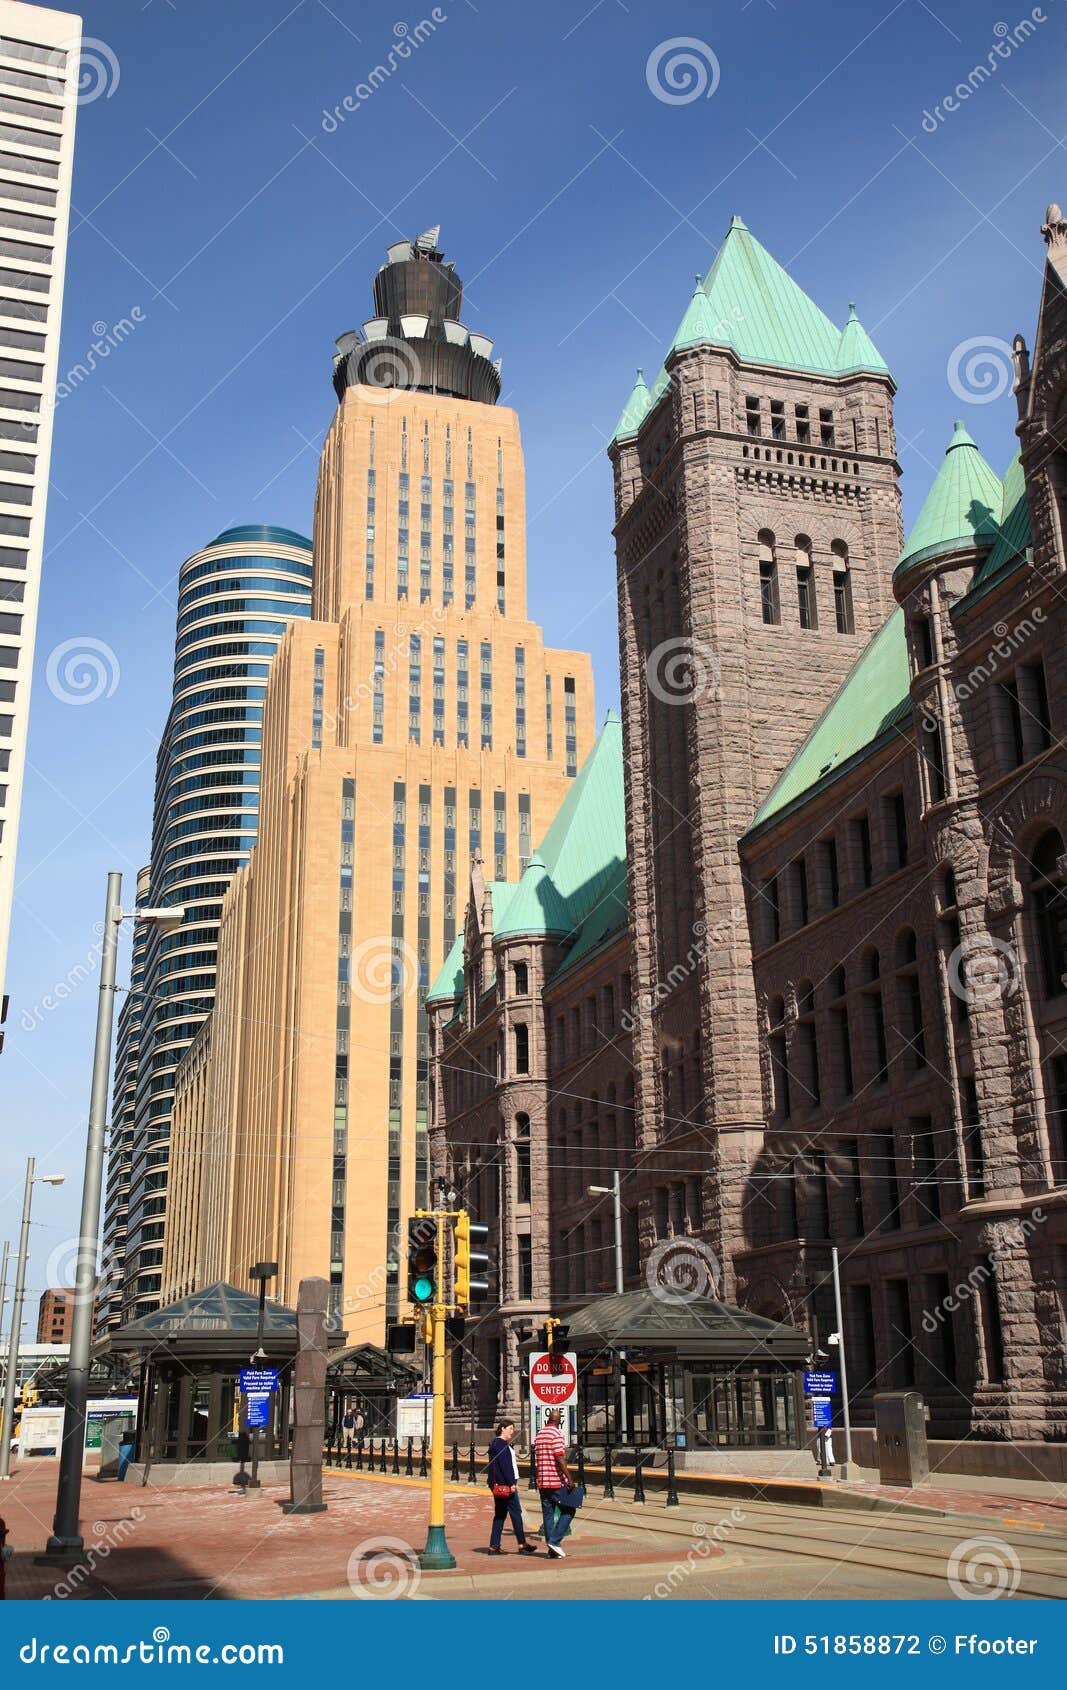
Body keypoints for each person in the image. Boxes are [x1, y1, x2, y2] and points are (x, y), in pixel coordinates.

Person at [486, 1421, 537, 1555]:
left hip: (499, 1484)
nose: (512, 1431)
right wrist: (511, 1484)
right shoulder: (501, 1444)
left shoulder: (496, 1444)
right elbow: (506, 1466)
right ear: (502, 1429)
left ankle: (494, 1545)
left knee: (500, 1514)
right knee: (516, 1513)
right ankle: (522, 1544)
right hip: (505, 1486)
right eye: (510, 1428)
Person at [533, 1407, 573, 1559]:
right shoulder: (556, 1434)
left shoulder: (540, 1435)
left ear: (547, 1420)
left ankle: (552, 1550)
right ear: (559, 1421)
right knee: (569, 1509)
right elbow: (559, 1458)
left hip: (542, 1481)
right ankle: (555, 1542)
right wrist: (569, 1478)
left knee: (548, 1515)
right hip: (556, 1481)